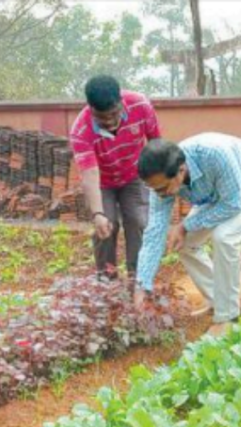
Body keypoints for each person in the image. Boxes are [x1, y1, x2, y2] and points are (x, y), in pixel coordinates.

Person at [132, 134, 241, 337]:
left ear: (181, 171)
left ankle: (228, 317)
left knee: (225, 236)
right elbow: (154, 232)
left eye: (162, 188)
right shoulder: (160, 180)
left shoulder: (213, 154)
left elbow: (232, 204)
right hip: (217, 194)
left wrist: (185, 225)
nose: (160, 194)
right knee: (185, 243)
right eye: (154, 189)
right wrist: (142, 286)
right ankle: (217, 300)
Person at [69, 75, 161, 278]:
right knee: (105, 225)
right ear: (90, 109)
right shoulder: (81, 130)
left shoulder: (140, 105)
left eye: (114, 114)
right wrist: (98, 214)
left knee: (138, 220)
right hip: (102, 181)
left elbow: (155, 142)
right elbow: (90, 173)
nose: (110, 123)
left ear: (121, 101)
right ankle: (106, 279)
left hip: (134, 174)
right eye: (102, 119)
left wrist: (157, 180)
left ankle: (138, 277)